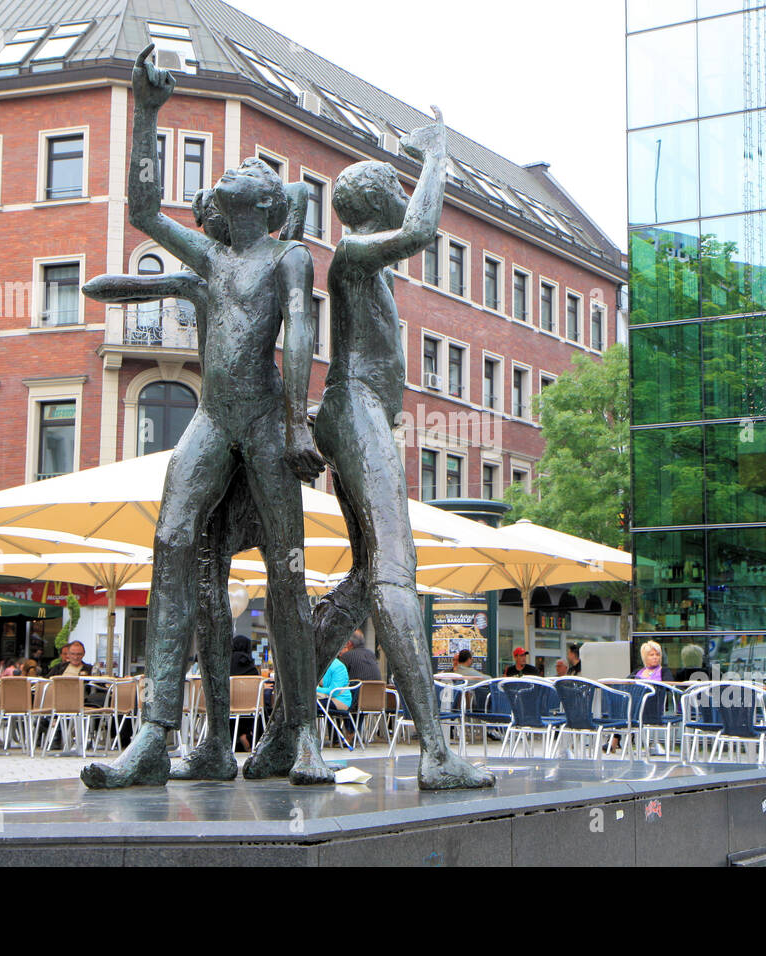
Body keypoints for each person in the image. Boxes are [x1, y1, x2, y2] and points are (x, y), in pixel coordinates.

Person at [81, 46, 328, 790]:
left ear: (263, 198)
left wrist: (294, 424)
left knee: (288, 573)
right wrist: (149, 112)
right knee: (173, 538)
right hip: (214, 418)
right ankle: (157, 734)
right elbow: (143, 212)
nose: (220, 181)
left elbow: (301, 338)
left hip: (264, 418)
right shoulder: (214, 260)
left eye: (235, 178)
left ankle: (303, 732)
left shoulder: (287, 257)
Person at [304, 104, 492, 791]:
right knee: (395, 573)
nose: (402, 195)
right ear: (377, 201)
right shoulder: (354, 253)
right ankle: (437, 751)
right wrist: (437, 154)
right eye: (396, 187)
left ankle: (285, 723)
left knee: (360, 583)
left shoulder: (368, 268)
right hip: (354, 413)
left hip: (360, 416)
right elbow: (422, 228)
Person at [317, 655, 354, 746]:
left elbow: (334, 691)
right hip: (330, 698)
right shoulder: (325, 666)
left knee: (311, 705)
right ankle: (336, 739)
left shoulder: (338, 667)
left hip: (340, 700)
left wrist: (315, 689)